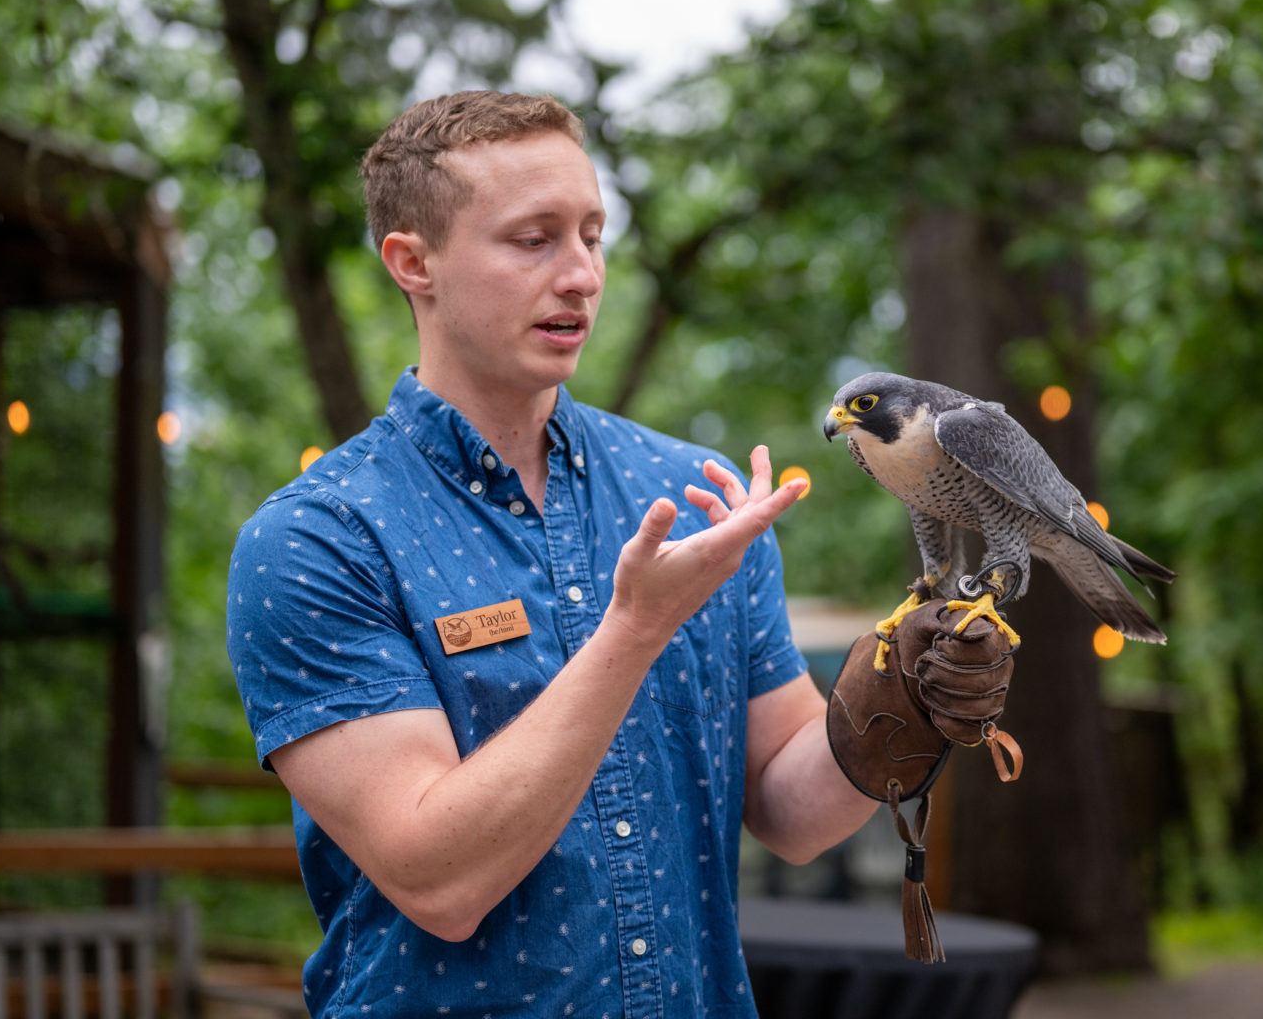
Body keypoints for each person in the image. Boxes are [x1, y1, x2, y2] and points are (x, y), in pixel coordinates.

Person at [225, 90, 878, 1019]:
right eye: (534, 240)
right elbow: (438, 880)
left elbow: (795, 812)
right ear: (415, 264)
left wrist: (905, 701)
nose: (581, 275)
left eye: (593, 234)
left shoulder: (693, 491)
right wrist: (635, 629)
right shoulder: (317, 541)